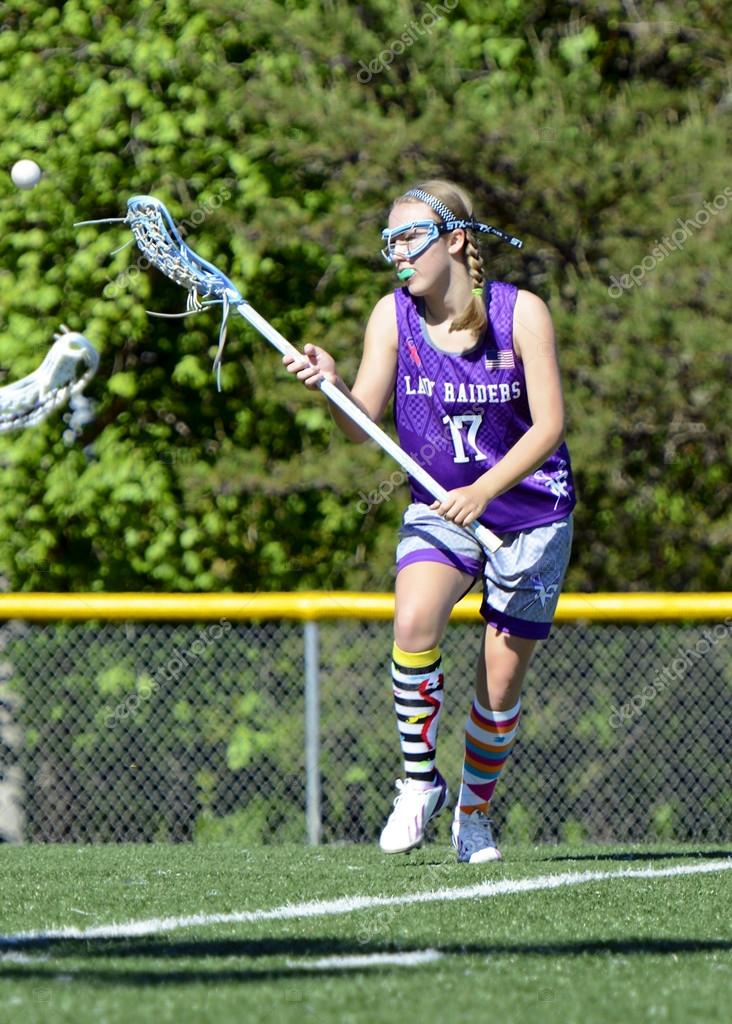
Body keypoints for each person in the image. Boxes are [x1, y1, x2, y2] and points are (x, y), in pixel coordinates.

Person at [284, 179, 575, 863]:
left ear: (454, 240)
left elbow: (552, 425)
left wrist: (485, 489)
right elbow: (361, 427)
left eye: (409, 237)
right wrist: (330, 387)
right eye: (389, 241)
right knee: (414, 620)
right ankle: (420, 782)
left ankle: (473, 816)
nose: (397, 253)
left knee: (499, 689)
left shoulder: (520, 313)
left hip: (530, 513)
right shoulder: (392, 318)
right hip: (443, 508)